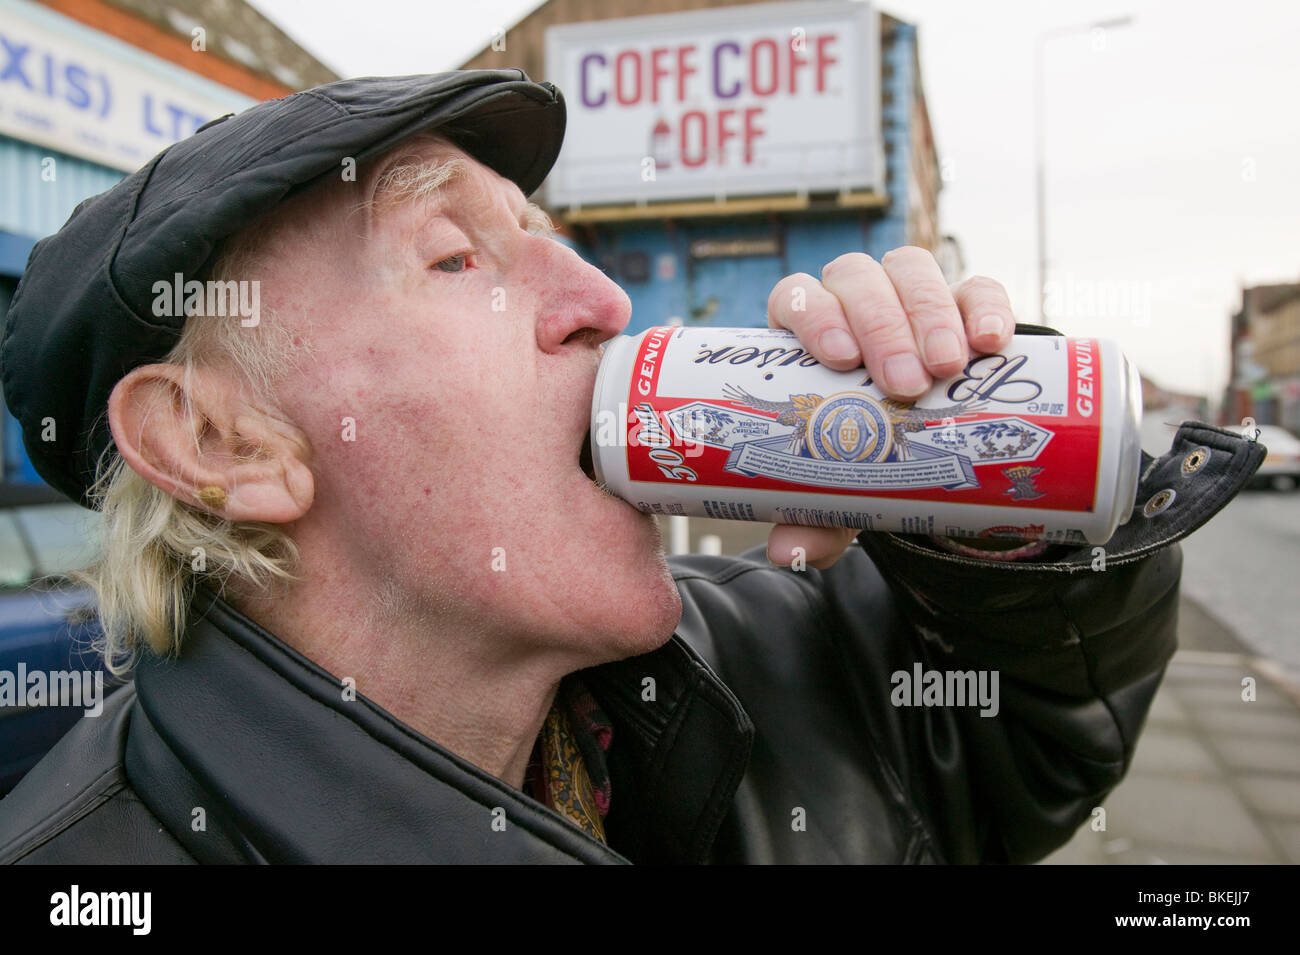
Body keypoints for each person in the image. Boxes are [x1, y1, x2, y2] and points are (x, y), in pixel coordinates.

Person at [0, 71, 1259, 864]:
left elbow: (1029, 754)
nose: (602, 298)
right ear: (221, 443)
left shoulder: (755, 657)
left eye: (555, 242)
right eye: (454, 259)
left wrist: (986, 523)